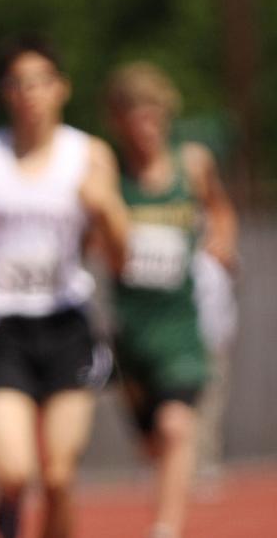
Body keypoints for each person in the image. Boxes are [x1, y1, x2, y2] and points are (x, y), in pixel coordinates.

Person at [0, 35, 130, 538]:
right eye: (19, 83)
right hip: (1, 329)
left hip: (67, 323)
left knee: (59, 476)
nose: (30, 93)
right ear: (6, 92)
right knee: (16, 473)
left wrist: (105, 209)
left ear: (61, 88)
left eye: (41, 81)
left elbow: (121, 256)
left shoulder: (90, 156)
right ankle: (8, 504)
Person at [104, 61, 238, 538]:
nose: (146, 126)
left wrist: (223, 240)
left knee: (178, 427)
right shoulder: (109, 174)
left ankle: (166, 529)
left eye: (153, 114)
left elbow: (220, 209)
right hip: (131, 328)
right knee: (152, 444)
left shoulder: (194, 164)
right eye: (134, 116)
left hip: (181, 323)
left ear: (166, 115)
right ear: (118, 121)